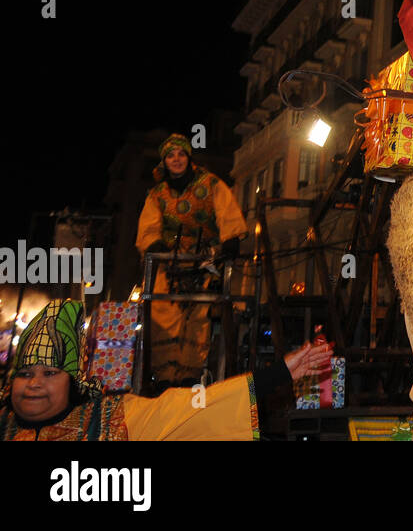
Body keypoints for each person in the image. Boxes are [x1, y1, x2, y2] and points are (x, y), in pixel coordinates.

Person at [2, 299, 332, 441]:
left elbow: (196, 406)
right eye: (26, 373)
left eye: (49, 374)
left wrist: (275, 375)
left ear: (73, 382)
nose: (34, 384)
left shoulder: (113, 420)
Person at [135, 132, 248, 389]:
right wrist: (157, 247)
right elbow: (148, 229)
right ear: (164, 161)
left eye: (181, 154)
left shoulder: (211, 184)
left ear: (188, 157)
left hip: (202, 264)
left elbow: (228, 213)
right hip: (167, 265)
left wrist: (231, 239)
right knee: (163, 315)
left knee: (198, 318)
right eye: (171, 155)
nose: (176, 159)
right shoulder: (157, 194)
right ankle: (164, 376)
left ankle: (190, 374)